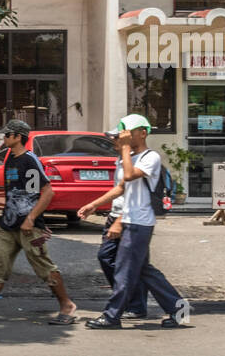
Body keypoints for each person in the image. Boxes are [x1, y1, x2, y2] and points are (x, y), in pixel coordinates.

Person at [0, 120, 78, 324]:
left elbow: (46, 192)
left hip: (29, 228)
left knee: (44, 267)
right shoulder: (10, 159)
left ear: (18, 137)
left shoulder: (29, 161)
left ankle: (67, 305)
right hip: (8, 225)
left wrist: (32, 219)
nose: (3, 138)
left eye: (7, 135)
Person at [79, 114, 186, 329]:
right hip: (129, 219)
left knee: (125, 271)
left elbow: (128, 176)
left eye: (126, 133)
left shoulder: (150, 157)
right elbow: (121, 188)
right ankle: (179, 310)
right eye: (121, 134)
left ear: (143, 133)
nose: (121, 138)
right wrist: (94, 204)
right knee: (142, 270)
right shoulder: (126, 157)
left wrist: (126, 148)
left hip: (139, 222)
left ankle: (111, 316)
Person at [96, 193, 148, 319]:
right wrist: (94, 205)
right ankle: (123, 301)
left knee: (138, 266)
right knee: (106, 256)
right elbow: (119, 188)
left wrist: (120, 221)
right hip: (115, 215)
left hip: (132, 219)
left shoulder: (135, 173)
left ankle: (135, 306)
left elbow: (137, 195)